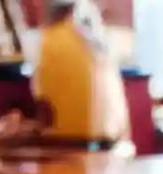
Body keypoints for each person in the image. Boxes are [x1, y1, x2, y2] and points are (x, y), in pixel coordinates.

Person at [32, 0, 131, 148]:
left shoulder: (52, 40)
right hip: (109, 140)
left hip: (67, 144)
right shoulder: (95, 38)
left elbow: (45, 106)